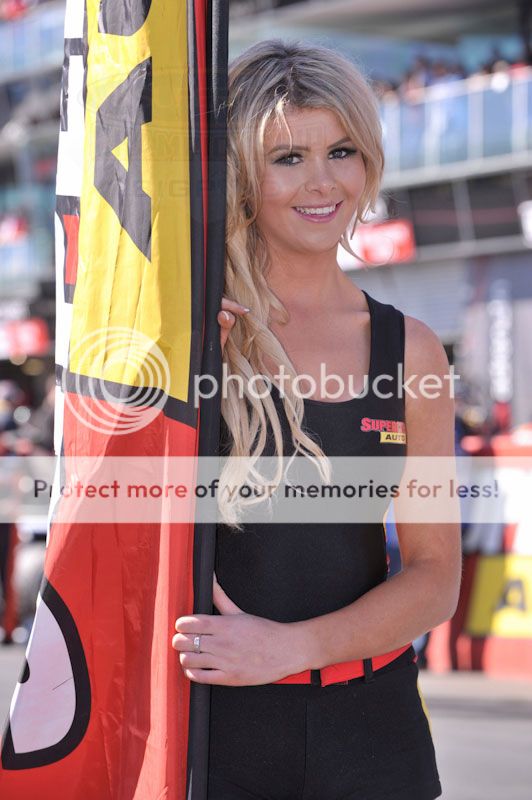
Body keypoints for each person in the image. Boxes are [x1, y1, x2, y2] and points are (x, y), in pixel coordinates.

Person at [172, 40, 461, 800]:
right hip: (205, 733)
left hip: (374, 737)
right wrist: (176, 366)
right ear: (241, 175)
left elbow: (435, 578)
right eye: (287, 158)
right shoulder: (187, 331)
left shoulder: (412, 350)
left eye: (340, 150)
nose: (322, 181)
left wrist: (289, 649)